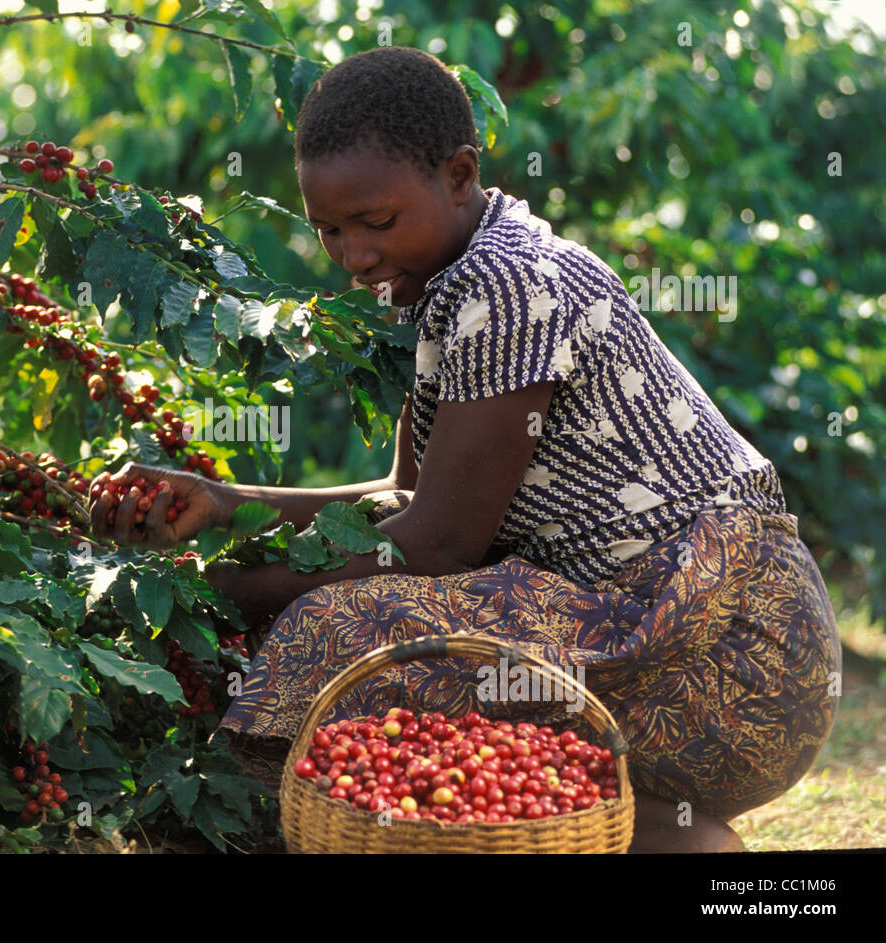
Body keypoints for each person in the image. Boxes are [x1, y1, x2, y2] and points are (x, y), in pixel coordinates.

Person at [89, 46, 840, 852]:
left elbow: (438, 543)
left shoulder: (510, 284)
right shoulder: (455, 286)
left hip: (731, 652)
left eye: (376, 222)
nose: (355, 257)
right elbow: (405, 500)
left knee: (339, 624)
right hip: (662, 629)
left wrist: (227, 585)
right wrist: (232, 502)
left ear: (458, 174)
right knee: (346, 615)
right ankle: (658, 835)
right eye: (330, 231)